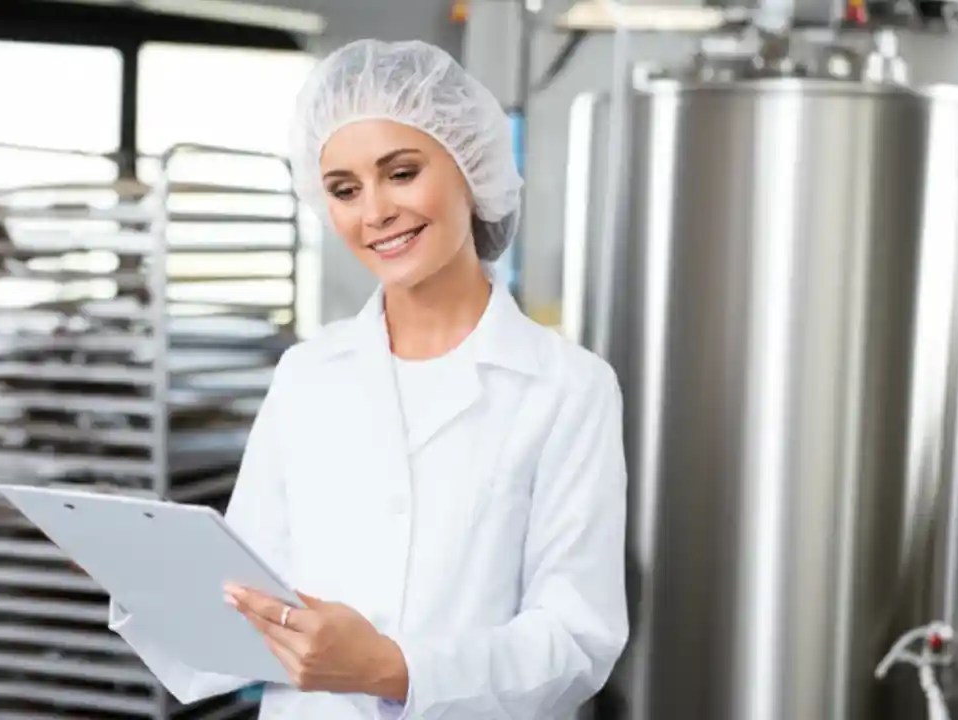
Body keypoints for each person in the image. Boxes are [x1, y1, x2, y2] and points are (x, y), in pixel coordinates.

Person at [108, 38, 628, 719]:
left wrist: (391, 669)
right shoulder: (307, 375)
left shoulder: (566, 387)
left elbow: (574, 641)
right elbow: (248, 598)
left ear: (471, 169)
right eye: (344, 189)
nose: (374, 211)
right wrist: (141, 574)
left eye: (402, 172)